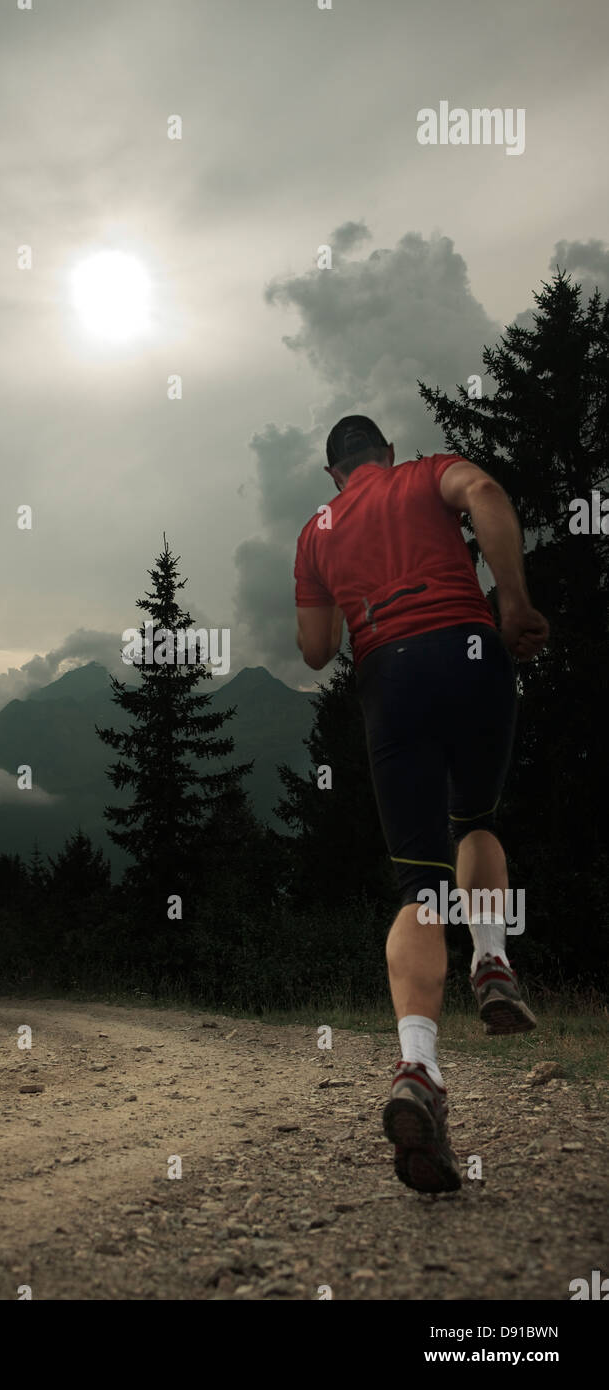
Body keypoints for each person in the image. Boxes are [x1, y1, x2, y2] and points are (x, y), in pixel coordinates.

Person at [293, 415, 549, 1193]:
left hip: (391, 677)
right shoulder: (430, 472)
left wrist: (346, 592)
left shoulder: (318, 528)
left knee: (420, 888)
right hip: (473, 656)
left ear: (335, 473)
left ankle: (419, 1068)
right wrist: (512, 601)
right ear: (387, 456)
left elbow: (316, 650)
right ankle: (495, 958)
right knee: (475, 818)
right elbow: (488, 493)